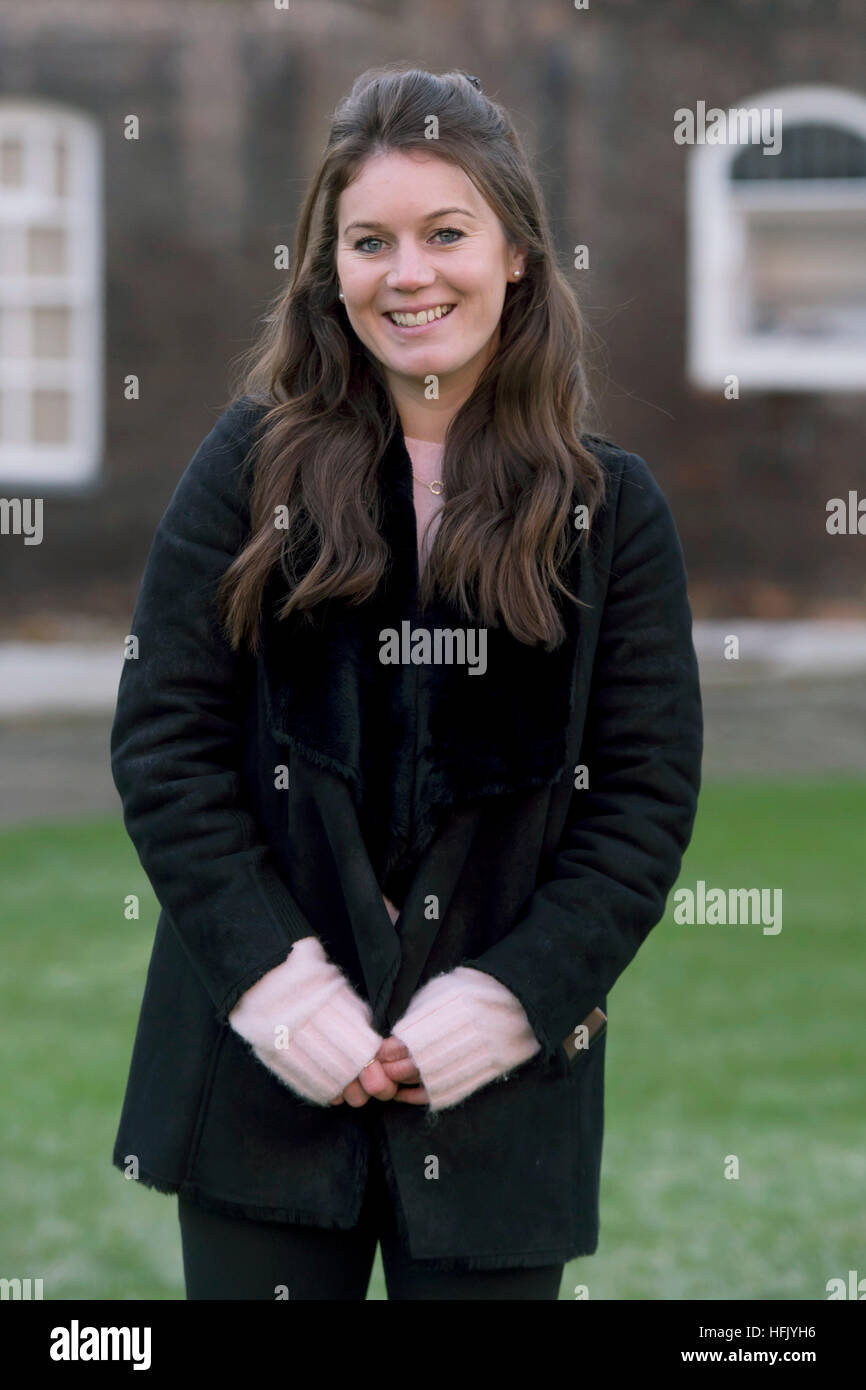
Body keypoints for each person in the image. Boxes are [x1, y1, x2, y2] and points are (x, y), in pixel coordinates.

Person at [110, 64, 703, 1301]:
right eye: (369, 242)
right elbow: (167, 745)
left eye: (446, 233)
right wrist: (289, 999)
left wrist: (495, 1006)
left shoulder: (611, 512)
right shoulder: (243, 471)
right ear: (330, 272)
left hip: (497, 1113)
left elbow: (640, 803)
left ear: (518, 257)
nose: (409, 273)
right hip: (258, 1098)